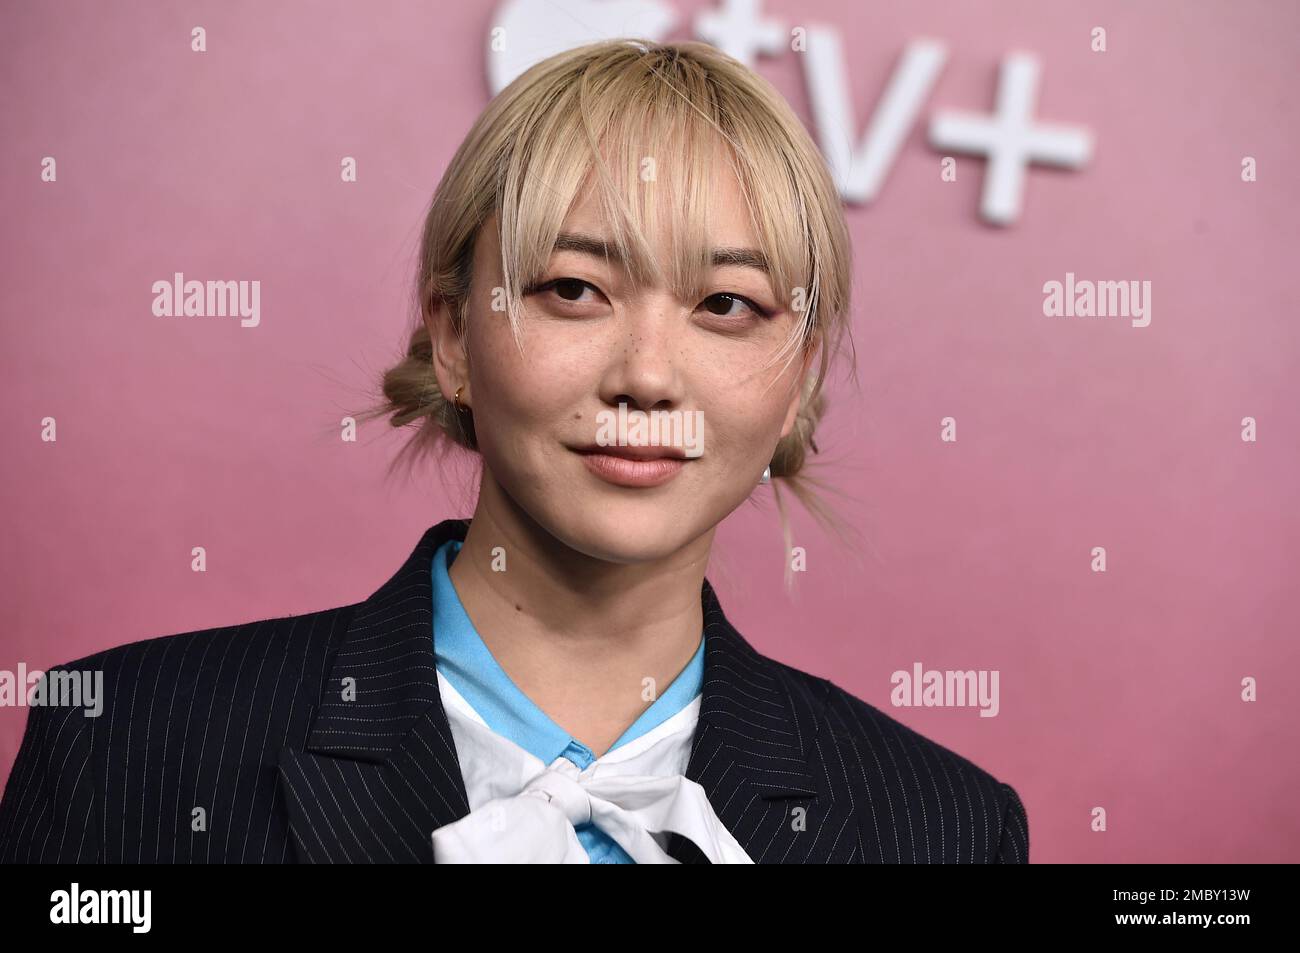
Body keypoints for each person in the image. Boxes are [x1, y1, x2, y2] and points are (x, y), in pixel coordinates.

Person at [0, 39, 1027, 864]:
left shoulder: (944, 827)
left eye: (726, 304)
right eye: (574, 288)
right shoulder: (126, 743)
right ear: (452, 336)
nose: (646, 373)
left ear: (800, 375)